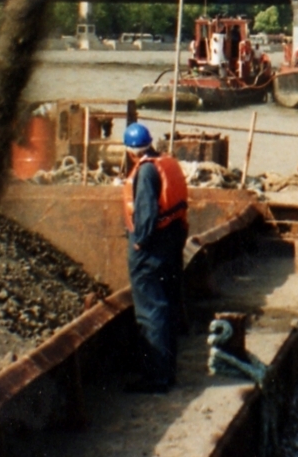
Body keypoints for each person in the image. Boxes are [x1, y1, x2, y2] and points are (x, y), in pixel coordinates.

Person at [122, 121, 189, 392]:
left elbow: (147, 213)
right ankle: (166, 372)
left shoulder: (145, 172)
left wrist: (139, 244)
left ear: (129, 152)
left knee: (150, 311)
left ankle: (157, 378)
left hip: (151, 251)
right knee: (166, 307)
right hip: (171, 243)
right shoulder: (166, 164)